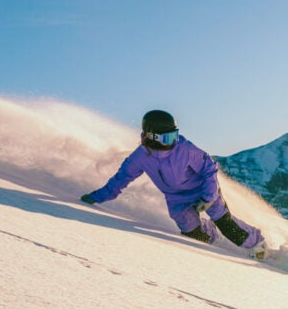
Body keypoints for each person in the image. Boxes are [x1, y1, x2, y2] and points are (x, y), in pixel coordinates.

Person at [81, 110, 267, 258]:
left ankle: (258, 246)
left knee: (223, 220)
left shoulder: (184, 149)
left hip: (202, 190)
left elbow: (209, 168)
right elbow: (120, 180)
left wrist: (208, 196)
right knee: (191, 233)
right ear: (152, 137)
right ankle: (210, 236)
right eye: (167, 138)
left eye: (174, 136)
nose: (173, 141)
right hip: (176, 199)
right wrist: (96, 197)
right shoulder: (140, 157)